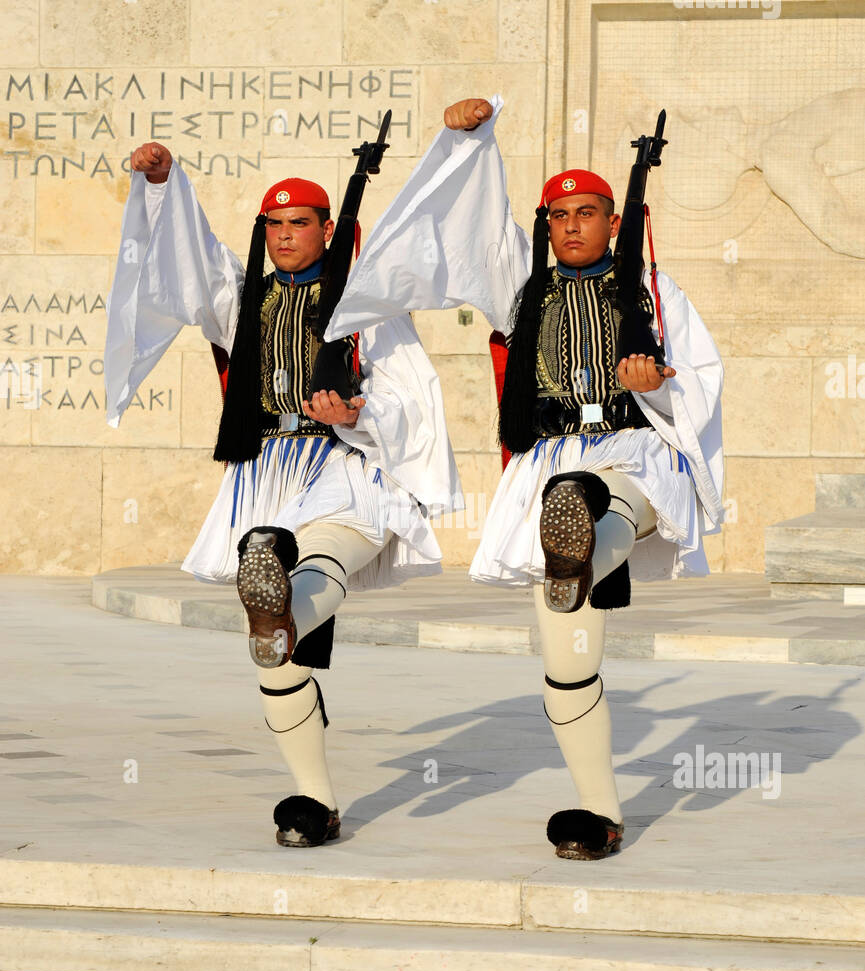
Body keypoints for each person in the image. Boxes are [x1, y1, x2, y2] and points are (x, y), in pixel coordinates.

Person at [324, 95, 724, 861]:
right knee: (566, 663)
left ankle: (584, 540)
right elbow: (473, 212)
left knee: (600, 500)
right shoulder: (519, 286)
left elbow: (698, 385)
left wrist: (653, 380)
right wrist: (468, 138)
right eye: (557, 215)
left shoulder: (657, 293)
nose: (570, 225)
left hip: (632, 453)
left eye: (586, 212)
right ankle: (596, 813)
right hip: (550, 466)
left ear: (615, 221)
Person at [104, 142, 461, 848]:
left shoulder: (367, 307)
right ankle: (313, 800)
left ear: (327, 230)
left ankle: (281, 606)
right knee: (273, 650)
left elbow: (410, 396)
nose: (284, 236)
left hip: (349, 467)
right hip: (270, 469)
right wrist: (161, 184)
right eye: (273, 225)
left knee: (313, 559)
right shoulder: (244, 301)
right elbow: (186, 257)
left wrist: (359, 415)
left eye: (298, 223)